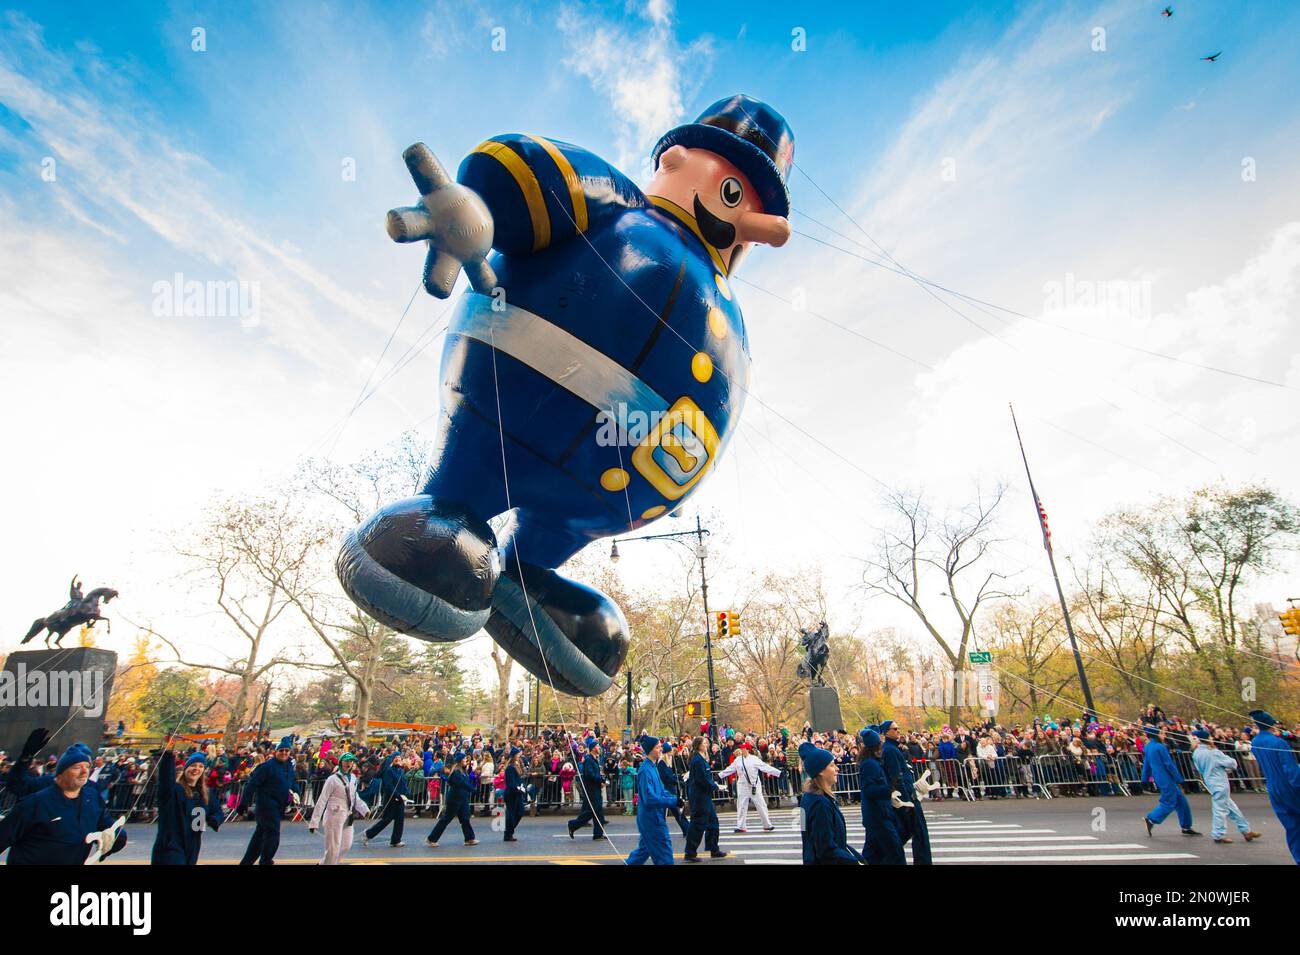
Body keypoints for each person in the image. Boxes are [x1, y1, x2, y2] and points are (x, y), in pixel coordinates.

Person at [0, 741, 128, 865]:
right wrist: (25, 757)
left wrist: (116, 837)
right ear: (61, 772)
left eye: (88, 766)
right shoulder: (35, 802)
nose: (84, 771)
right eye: (77, 767)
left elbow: (109, 826)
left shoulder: (92, 797)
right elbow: (4, 834)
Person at [152, 743, 224, 865]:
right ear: (186, 768)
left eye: (201, 766)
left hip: (193, 843)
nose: (197, 769)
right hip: (171, 843)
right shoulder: (174, 790)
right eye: (193, 765)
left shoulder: (207, 794)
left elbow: (218, 811)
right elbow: (165, 779)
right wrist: (168, 757)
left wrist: (215, 819)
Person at [1247, 710, 1300, 864]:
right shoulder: (1278, 743)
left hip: (1273, 786)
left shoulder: (1256, 742)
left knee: (1292, 826)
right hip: (1288, 787)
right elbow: (1291, 770)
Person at [237, 736, 300, 865]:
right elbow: (252, 784)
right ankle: (266, 860)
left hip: (279, 806)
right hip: (266, 806)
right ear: (276, 752)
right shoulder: (267, 766)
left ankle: (246, 862)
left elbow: (292, 782)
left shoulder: (289, 766)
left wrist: (297, 793)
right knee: (273, 834)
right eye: (281, 750)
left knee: (260, 836)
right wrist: (244, 803)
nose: (284, 753)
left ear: (289, 752)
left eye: (286, 751)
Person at [1189, 730, 1259, 845]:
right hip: (1220, 782)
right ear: (1208, 739)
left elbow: (1199, 769)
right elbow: (1232, 763)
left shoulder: (1196, 753)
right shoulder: (1214, 752)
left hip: (1210, 782)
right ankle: (1218, 834)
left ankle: (1246, 830)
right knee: (1220, 809)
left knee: (1232, 808)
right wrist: (1225, 765)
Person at [798, 741, 861, 865]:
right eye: (832, 765)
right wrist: (854, 862)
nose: (837, 769)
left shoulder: (811, 797)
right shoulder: (819, 803)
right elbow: (826, 849)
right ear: (820, 771)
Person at [881, 720, 933, 864]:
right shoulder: (890, 750)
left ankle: (886, 857)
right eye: (895, 729)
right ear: (886, 732)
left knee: (906, 831)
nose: (898, 731)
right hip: (906, 798)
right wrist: (908, 798)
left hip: (906, 796)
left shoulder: (892, 748)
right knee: (919, 833)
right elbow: (896, 776)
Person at [309, 752, 370, 864]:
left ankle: (324, 863)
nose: (349, 763)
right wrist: (314, 822)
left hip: (347, 816)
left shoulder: (353, 778)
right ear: (341, 762)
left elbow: (354, 796)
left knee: (346, 845)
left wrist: (364, 809)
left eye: (351, 761)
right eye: (346, 761)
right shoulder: (332, 779)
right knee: (332, 848)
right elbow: (322, 800)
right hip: (333, 816)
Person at [626, 735, 678, 865]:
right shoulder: (645, 770)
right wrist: (672, 802)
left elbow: (660, 790)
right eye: (658, 747)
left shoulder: (653, 767)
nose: (660, 749)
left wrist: (675, 798)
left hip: (654, 816)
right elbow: (650, 798)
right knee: (664, 854)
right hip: (651, 818)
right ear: (650, 750)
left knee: (643, 851)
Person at [1141, 725, 1200, 837]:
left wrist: (1144, 779)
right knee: (1169, 802)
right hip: (1166, 778)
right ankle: (1151, 819)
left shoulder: (1148, 747)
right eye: (1162, 733)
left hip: (1159, 777)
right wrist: (1179, 779)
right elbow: (1169, 765)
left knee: (1182, 802)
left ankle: (1186, 826)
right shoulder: (1160, 747)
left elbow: (1146, 765)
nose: (1164, 735)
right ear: (1156, 734)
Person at [858, 729, 905, 865]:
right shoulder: (870, 764)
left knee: (873, 854)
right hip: (878, 815)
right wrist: (889, 788)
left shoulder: (872, 762)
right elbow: (869, 790)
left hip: (877, 814)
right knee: (895, 852)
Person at [718, 740, 780, 832]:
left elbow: (765, 767)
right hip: (742, 785)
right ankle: (741, 826)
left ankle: (767, 824)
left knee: (761, 805)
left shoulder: (754, 759)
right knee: (741, 805)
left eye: (743, 748)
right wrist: (719, 775)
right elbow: (730, 769)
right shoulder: (738, 760)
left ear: (747, 749)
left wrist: (778, 773)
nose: (741, 750)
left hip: (754, 785)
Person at [684, 735, 727, 862]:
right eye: (704, 743)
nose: (706, 745)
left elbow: (706, 778)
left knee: (713, 822)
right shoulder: (697, 760)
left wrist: (714, 785)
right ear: (698, 745)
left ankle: (714, 849)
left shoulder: (701, 758)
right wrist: (716, 786)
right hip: (699, 797)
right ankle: (690, 852)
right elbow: (702, 779)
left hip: (705, 796)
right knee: (697, 824)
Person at [427, 750, 478, 847]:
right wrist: (473, 790)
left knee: (465, 818)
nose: (466, 760)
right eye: (464, 758)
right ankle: (431, 838)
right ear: (459, 761)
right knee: (446, 819)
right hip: (454, 799)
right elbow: (462, 784)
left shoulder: (463, 771)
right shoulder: (456, 772)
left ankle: (469, 838)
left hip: (462, 799)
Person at [364, 748, 409, 848]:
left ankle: (396, 840)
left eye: (399, 758)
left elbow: (404, 783)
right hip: (391, 799)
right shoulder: (389, 771)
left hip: (400, 799)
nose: (398, 760)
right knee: (386, 820)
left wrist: (406, 793)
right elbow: (388, 786)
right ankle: (368, 834)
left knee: (400, 820)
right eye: (396, 758)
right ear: (392, 759)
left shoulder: (401, 770)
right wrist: (398, 795)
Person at [567, 738, 607, 840]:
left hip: (596, 788)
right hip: (591, 790)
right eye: (598, 746)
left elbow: (596, 774)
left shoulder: (593, 759)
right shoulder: (588, 760)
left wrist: (601, 781)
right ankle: (573, 824)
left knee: (599, 813)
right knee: (591, 812)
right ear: (593, 748)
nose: (599, 748)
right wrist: (601, 780)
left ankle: (598, 834)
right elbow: (590, 775)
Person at [657, 740, 689, 838]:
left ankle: (686, 829)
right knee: (668, 812)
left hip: (671, 790)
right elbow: (665, 778)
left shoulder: (668, 762)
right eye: (670, 750)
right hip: (666, 791)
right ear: (667, 752)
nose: (672, 752)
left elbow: (671, 776)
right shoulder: (662, 763)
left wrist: (679, 777)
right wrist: (677, 781)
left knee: (677, 811)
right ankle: (661, 832)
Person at [503, 747, 527, 842]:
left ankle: (510, 831)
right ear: (514, 756)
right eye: (517, 755)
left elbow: (518, 780)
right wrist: (518, 789)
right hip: (511, 794)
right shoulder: (510, 768)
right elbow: (511, 783)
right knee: (511, 814)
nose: (519, 756)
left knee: (520, 812)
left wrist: (522, 787)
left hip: (517, 793)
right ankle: (508, 833)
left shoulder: (516, 766)